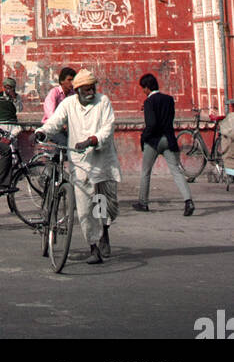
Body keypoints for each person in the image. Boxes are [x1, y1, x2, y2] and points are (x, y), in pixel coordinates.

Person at [36, 67, 120, 265]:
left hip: (101, 161)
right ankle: (93, 246)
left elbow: (108, 128)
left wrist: (92, 140)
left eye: (93, 89)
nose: (91, 93)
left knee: (102, 201)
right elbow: (54, 122)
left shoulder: (103, 101)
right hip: (80, 162)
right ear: (78, 90)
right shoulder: (68, 104)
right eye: (86, 90)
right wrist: (41, 132)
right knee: (83, 208)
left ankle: (104, 232)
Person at [132, 73, 194, 216]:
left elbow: (152, 123)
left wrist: (144, 137)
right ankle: (188, 200)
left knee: (146, 172)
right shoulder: (169, 99)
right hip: (168, 138)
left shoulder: (149, 102)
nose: (143, 91)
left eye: (143, 88)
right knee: (176, 172)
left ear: (147, 88)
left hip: (153, 141)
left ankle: (143, 202)